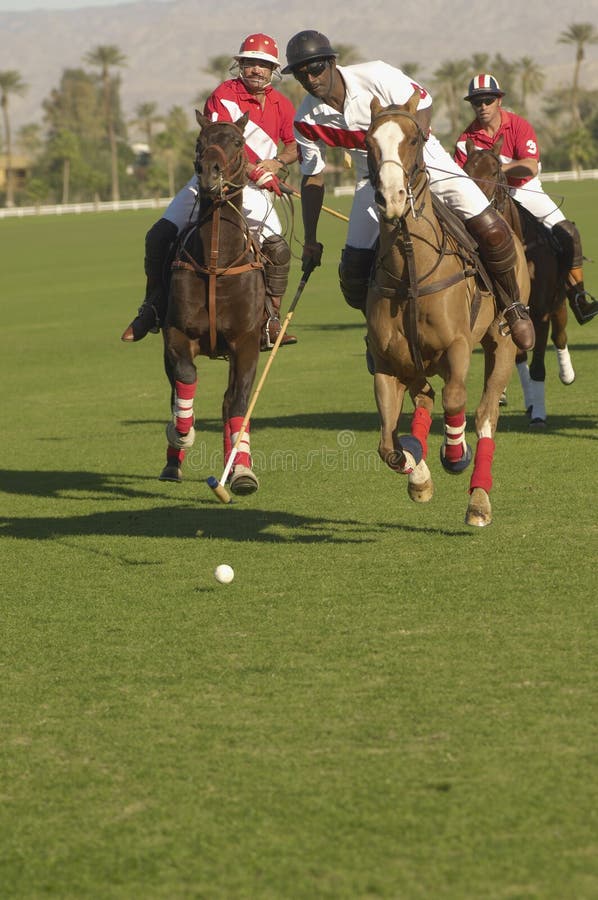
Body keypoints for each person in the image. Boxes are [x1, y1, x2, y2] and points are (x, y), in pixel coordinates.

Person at [281, 30, 535, 353]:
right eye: (301, 74)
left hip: (425, 162)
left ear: (331, 63)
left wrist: (415, 148)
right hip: (371, 179)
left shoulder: (375, 74)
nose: (310, 78)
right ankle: (378, 332)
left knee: (493, 229)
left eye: (316, 68)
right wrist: (311, 238)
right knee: (352, 273)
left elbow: (423, 101)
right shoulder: (305, 119)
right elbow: (312, 177)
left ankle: (513, 306)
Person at [121, 32, 299, 349]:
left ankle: (270, 320)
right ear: (240, 65)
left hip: (251, 191)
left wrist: (276, 163)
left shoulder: (281, 105)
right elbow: (218, 146)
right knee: (158, 236)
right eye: (250, 63)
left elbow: (294, 145)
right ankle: (152, 307)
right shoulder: (224, 95)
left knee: (278, 249)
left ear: (273, 70)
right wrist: (255, 170)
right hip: (209, 182)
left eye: (263, 65)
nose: (256, 70)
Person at [454, 74, 598, 326]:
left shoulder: (518, 126)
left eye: (488, 100)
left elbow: (530, 166)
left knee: (569, 233)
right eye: (477, 102)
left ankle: (578, 297)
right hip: (486, 199)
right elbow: (460, 178)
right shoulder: (466, 139)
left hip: (524, 190)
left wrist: (497, 170)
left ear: (499, 100)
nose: (483, 106)